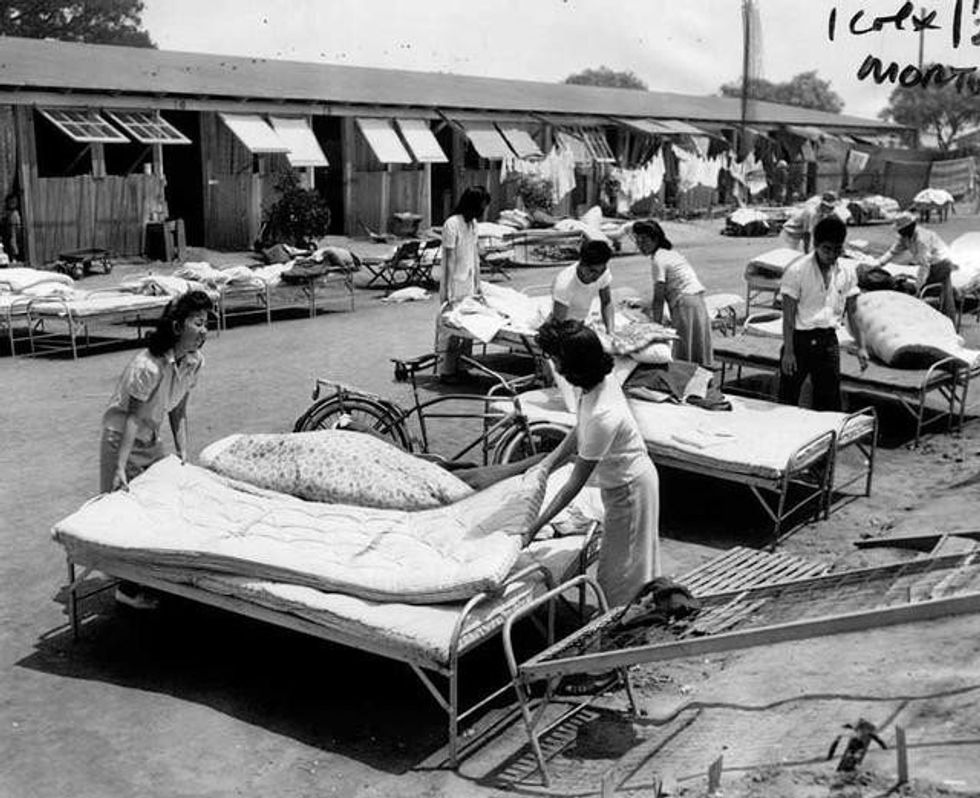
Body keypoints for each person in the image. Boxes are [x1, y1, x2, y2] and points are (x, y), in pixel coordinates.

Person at [525, 318, 659, 609]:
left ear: (572, 363)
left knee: (620, 577)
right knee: (625, 569)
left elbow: (574, 484)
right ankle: (627, 623)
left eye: (555, 359)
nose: (554, 366)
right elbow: (578, 430)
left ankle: (625, 638)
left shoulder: (603, 414)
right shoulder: (595, 385)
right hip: (623, 485)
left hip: (631, 490)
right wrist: (547, 464)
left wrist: (534, 527)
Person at [100, 289, 213, 608]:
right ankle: (126, 587)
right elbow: (132, 419)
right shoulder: (147, 366)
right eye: (197, 323)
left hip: (150, 438)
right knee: (124, 508)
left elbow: (178, 411)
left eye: (206, 323)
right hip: (120, 438)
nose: (204, 330)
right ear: (177, 327)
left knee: (157, 504)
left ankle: (145, 577)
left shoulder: (194, 362)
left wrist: (183, 455)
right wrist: (121, 467)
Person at [778, 216, 867, 412]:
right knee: (787, 400)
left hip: (827, 342)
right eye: (827, 249)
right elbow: (789, 317)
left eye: (837, 250)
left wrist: (861, 346)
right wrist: (789, 352)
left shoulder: (847, 271)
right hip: (800, 341)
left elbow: (852, 312)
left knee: (829, 403)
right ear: (816, 245)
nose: (832, 255)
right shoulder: (797, 271)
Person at [631, 219, 713, 366]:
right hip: (696, 301)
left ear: (655, 240)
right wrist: (641, 303)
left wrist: (655, 328)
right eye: (638, 241)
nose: (640, 245)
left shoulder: (659, 260)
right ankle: (701, 379)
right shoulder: (671, 254)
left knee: (683, 347)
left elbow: (659, 298)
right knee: (697, 345)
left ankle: (686, 381)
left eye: (644, 241)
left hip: (685, 303)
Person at [435, 186, 490, 382]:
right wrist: (448, 289)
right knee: (452, 328)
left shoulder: (473, 224)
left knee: (468, 327)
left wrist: (478, 282)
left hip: (468, 281)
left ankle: (463, 365)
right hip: (454, 282)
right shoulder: (452, 224)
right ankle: (446, 370)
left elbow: (474, 255)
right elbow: (449, 259)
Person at [873, 211, 958, 321]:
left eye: (900, 230)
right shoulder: (905, 237)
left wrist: (918, 287)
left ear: (908, 228)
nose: (899, 233)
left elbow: (924, 265)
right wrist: (878, 264)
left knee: (932, 291)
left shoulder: (922, 239)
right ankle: (942, 316)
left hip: (940, 263)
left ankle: (944, 320)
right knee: (943, 292)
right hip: (931, 262)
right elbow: (892, 252)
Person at [550, 238, 615, 334]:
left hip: (583, 321)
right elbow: (558, 325)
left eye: (601, 271)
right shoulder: (565, 284)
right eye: (593, 272)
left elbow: (606, 302)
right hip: (567, 328)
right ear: (582, 265)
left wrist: (610, 331)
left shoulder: (602, 273)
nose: (597, 276)